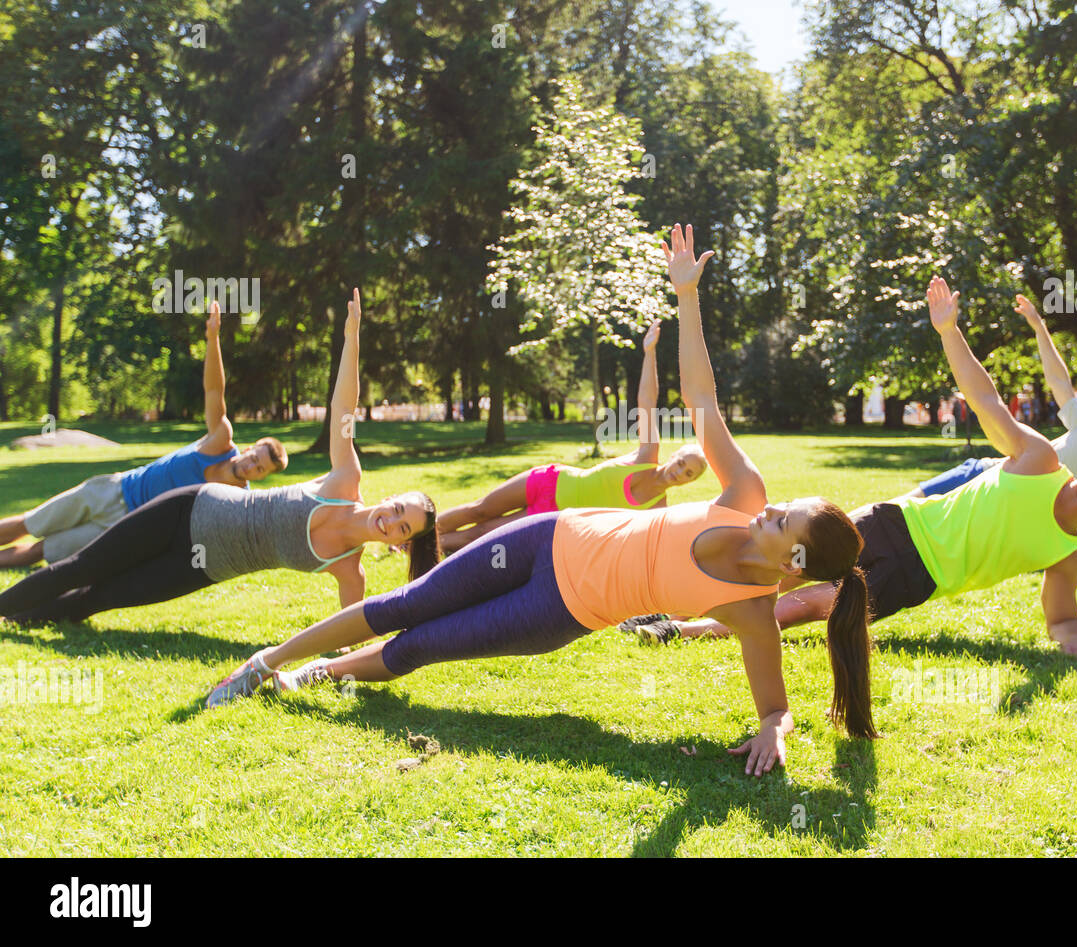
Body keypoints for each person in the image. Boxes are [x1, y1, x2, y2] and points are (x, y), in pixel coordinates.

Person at [204, 224, 874, 777]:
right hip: (547, 536)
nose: (767, 508)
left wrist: (775, 731)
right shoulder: (744, 492)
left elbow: (773, 706)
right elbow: (701, 400)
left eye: (782, 519)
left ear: (793, 556)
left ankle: (320, 674)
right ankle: (262, 663)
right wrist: (687, 299)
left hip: (557, 608)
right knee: (402, 606)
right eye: (779, 505)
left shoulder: (752, 611)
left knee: (420, 647)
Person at [626, 278, 1077, 659]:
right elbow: (986, 403)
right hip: (898, 520)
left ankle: (685, 630)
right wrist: (948, 331)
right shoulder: (1040, 460)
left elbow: (1062, 619)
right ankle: (669, 604)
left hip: (921, 577)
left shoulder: (1065, 556)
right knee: (789, 564)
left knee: (814, 604)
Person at [0, 290, 438, 624]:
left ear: (400, 543)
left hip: (202, 567)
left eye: (402, 527)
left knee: (100, 599)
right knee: (81, 568)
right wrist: (352, 336)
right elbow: (345, 407)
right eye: (398, 508)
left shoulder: (349, 571)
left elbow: (348, 628)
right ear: (391, 497)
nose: (390, 520)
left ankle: (18, 619)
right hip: (189, 508)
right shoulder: (345, 481)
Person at [0, 303, 288, 569]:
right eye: (254, 456)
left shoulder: (236, 498)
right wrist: (213, 339)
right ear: (250, 447)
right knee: (29, 522)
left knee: (44, 550)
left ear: (262, 477)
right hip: (112, 491)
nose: (251, 465)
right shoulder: (220, 442)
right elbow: (214, 392)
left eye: (259, 468)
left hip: (123, 528)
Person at [905, 294, 1077, 566]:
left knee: (917, 544)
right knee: (896, 513)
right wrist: (1039, 327)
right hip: (984, 476)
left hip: (996, 516)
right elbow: (1058, 382)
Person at [435, 319, 707, 554]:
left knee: (481, 534)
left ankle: (418, 546)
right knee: (479, 510)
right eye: (683, 462)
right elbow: (647, 400)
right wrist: (649, 353)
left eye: (689, 473)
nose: (680, 471)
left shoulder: (655, 509)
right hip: (550, 480)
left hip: (550, 517)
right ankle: (417, 530)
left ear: (689, 483)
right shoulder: (647, 454)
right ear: (674, 456)